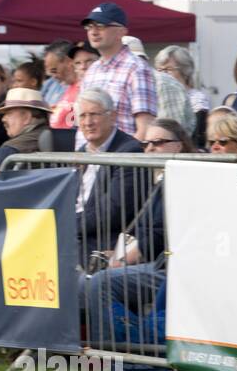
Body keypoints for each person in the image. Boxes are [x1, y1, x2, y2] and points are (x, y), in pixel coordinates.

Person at [79, 118, 192, 342]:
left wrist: (129, 257)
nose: (149, 149)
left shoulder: (186, 179)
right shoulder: (158, 179)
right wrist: (119, 253)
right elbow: (141, 228)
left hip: (172, 269)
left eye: (158, 142)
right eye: (145, 144)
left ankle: (116, 356)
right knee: (82, 281)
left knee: (101, 283)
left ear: (179, 145)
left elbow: (161, 233)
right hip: (154, 261)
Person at [74, 88, 144, 256]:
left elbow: (113, 210)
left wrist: (69, 224)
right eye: (82, 116)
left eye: (94, 114)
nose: (88, 122)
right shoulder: (82, 151)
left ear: (112, 116)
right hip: (77, 233)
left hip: (103, 241)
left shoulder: (129, 151)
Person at [78, 2, 156, 141]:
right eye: (89, 26)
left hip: (121, 159)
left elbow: (145, 129)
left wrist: (121, 159)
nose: (93, 32)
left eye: (101, 26)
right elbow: (81, 124)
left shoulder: (137, 69)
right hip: (89, 158)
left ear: (121, 31)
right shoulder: (91, 71)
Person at [0, 88, 51, 172]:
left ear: (26, 117)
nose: (3, 119)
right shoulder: (57, 136)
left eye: (9, 113)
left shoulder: (12, 148)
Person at [41, 40, 74, 106]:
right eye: (49, 71)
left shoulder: (83, 85)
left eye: (54, 70)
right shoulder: (50, 83)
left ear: (68, 61)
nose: (52, 75)